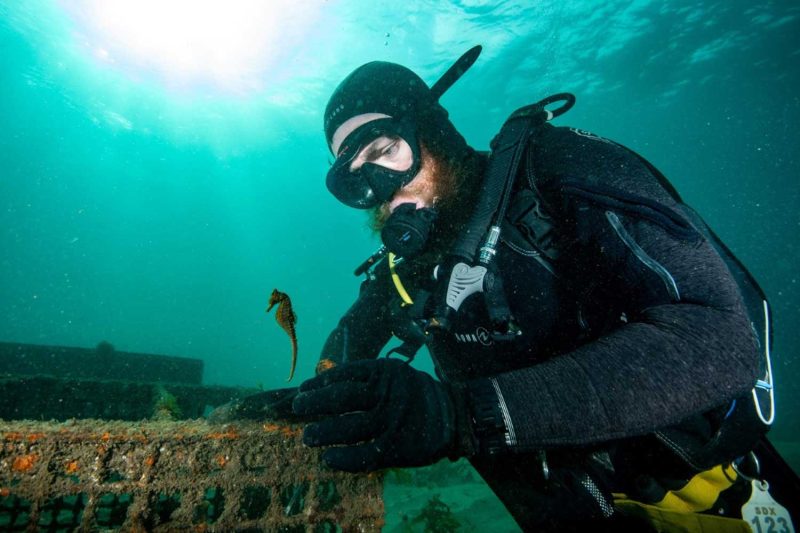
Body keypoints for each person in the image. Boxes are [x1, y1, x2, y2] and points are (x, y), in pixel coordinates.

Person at [238, 47, 798, 531]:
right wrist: (318, 399)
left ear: (431, 130)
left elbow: (720, 342)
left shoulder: (556, 169)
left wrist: (462, 416)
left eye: (384, 151)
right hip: (567, 512)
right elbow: (350, 339)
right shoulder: (405, 272)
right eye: (354, 176)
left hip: (715, 494)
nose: (378, 187)